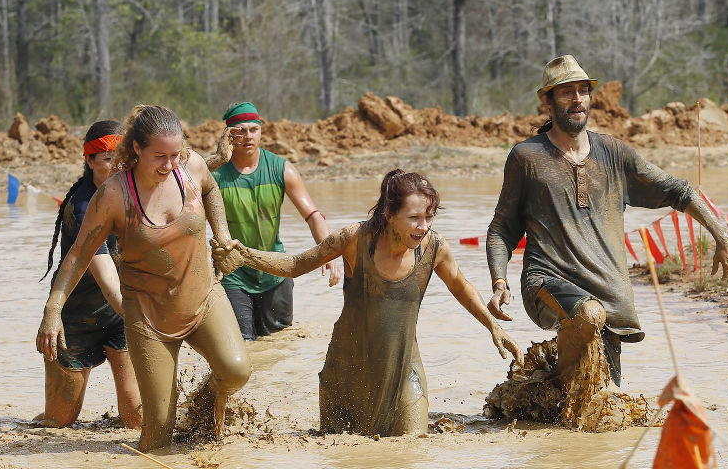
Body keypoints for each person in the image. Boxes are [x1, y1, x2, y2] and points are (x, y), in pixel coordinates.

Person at [485, 55, 728, 386]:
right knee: (587, 315)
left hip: (608, 300)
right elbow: (501, 230)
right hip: (546, 282)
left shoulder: (615, 155)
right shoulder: (527, 158)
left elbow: (680, 192)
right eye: (566, 92)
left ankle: (545, 391)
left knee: (601, 404)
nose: (577, 99)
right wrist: (499, 283)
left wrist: (725, 238)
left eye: (583, 91)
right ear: (547, 101)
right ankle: (550, 389)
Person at [213, 169, 522, 436]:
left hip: (404, 372)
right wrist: (246, 255)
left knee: (412, 454)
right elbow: (295, 264)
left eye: (429, 217)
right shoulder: (354, 239)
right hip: (346, 374)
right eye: (414, 218)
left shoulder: (434, 247)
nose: (423, 226)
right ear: (389, 214)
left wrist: (492, 326)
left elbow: (461, 286)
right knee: (342, 467)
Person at [37, 104, 251, 452]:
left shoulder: (191, 165)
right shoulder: (113, 196)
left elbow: (210, 189)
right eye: (159, 157)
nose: (170, 165)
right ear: (136, 148)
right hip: (148, 314)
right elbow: (78, 255)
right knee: (158, 431)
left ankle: (202, 406)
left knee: (237, 370)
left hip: (203, 298)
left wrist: (222, 237)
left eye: (175, 154)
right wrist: (53, 308)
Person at [35, 120, 142, 429]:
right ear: (90, 160)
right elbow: (107, 279)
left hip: (120, 313)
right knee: (59, 422)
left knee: (137, 418)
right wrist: (145, 324)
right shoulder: (83, 208)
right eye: (108, 158)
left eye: (122, 158)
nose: (117, 166)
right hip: (76, 317)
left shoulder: (134, 191)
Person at [209, 101, 342, 341]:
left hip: (275, 272)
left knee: (277, 346)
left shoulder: (282, 169)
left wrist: (328, 252)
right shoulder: (215, 176)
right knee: (242, 345)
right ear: (229, 135)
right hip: (233, 275)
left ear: (261, 131)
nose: (248, 136)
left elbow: (313, 215)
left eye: (253, 129)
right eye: (240, 131)